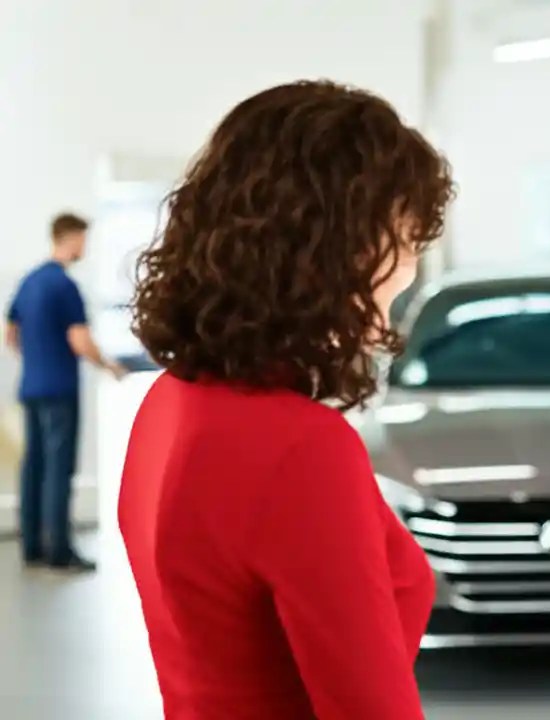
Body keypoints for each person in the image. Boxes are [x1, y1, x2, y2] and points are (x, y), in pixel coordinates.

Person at [118, 80, 454, 719]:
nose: (408, 270)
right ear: (334, 246)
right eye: (404, 240)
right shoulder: (300, 448)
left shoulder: (167, 402)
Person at [5, 212, 126, 572]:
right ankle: (59, 550)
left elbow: (11, 333)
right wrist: (110, 366)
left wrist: (36, 357)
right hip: (59, 388)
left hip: (31, 385)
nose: (84, 247)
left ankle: (32, 547)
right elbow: (79, 340)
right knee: (59, 469)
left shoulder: (28, 282)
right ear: (70, 238)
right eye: (83, 239)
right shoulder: (64, 286)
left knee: (33, 466)